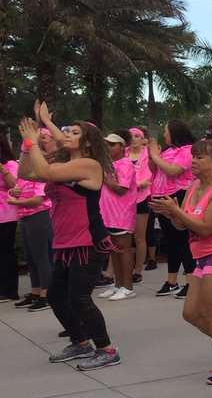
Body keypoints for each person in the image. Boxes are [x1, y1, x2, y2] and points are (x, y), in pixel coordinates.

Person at [18, 105, 122, 371]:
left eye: (75, 133)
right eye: (68, 131)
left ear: (86, 142)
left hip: (88, 241)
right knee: (55, 295)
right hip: (66, 242)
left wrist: (33, 140)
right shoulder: (64, 163)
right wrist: (26, 146)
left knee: (79, 298)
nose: (66, 135)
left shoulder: (90, 165)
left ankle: (107, 350)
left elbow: (46, 174)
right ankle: (80, 342)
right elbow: (25, 173)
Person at [150, 138, 212, 385]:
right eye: (193, 156)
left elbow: (206, 228)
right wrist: (172, 214)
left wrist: (176, 212)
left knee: (209, 313)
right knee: (191, 313)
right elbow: (183, 225)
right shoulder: (194, 185)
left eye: (200, 157)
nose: (193, 161)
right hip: (201, 254)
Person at [148, 120, 196, 297]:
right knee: (171, 240)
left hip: (178, 195)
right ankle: (171, 281)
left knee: (182, 239)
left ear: (175, 133)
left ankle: (191, 282)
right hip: (161, 195)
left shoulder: (187, 150)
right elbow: (155, 170)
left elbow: (173, 171)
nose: (164, 135)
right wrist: (152, 155)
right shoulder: (167, 151)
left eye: (166, 132)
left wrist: (155, 156)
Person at [7, 128, 54, 311]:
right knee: (32, 257)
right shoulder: (26, 168)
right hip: (26, 216)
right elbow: (18, 187)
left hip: (39, 215)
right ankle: (36, 291)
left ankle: (47, 294)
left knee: (42, 256)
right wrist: (15, 192)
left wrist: (16, 201)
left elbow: (39, 199)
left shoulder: (43, 168)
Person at [98, 133, 137, 300]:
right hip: (108, 214)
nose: (108, 147)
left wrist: (106, 180)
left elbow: (121, 189)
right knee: (113, 249)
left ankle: (128, 287)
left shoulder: (126, 164)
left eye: (112, 144)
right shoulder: (109, 164)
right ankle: (118, 285)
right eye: (107, 144)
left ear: (122, 147)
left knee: (124, 249)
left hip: (122, 213)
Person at [126, 127, 153, 285]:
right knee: (122, 236)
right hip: (123, 198)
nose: (134, 138)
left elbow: (149, 177)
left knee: (139, 236)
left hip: (141, 198)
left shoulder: (148, 155)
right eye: (131, 136)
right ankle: (116, 270)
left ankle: (138, 271)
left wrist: (137, 184)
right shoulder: (123, 153)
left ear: (143, 140)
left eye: (137, 136)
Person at [0, 135, 21, 302]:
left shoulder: (11, 164)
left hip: (6, 214)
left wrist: (2, 169)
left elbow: (16, 186)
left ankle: (10, 290)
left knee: (5, 251)